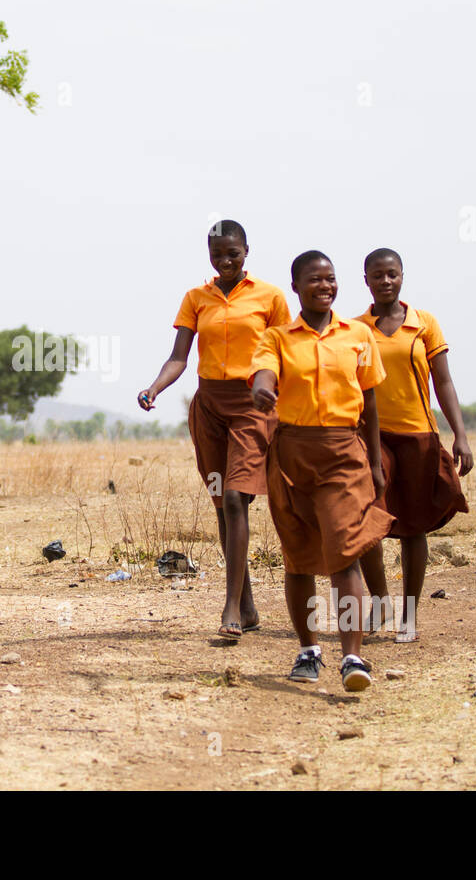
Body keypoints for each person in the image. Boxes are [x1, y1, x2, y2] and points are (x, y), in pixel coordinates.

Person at [138, 219, 291, 640]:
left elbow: (283, 354)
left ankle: (230, 610)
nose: (225, 261)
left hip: (252, 407)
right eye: (217, 254)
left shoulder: (271, 297)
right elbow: (179, 357)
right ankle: (247, 602)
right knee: (223, 503)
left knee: (239, 499)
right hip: (209, 409)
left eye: (233, 253)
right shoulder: (195, 298)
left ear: (247, 252)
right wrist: (154, 388)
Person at [249, 250, 391, 691]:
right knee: (299, 559)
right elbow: (262, 375)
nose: (325, 286)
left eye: (330, 279)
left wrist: (375, 460)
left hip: (344, 454)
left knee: (344, 553)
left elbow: (369, 404)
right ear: (296, 287)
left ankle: (353, 656)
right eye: (315, 279)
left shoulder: (359, 337)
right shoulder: (277, 337)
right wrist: (262, 392)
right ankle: (308, 649)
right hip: (292, 455)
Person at [355, 248, 472, 643]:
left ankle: (409, 615)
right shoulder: (355, 329)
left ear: (402, 277)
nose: (385, 281)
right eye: (377, 275)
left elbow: (444, 382)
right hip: (372, 439)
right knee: (368, 519)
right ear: (366, 280)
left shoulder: (425, 324)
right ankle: (380, 601)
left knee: (413, 528)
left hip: (419, 436)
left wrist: (461, 434)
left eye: (392, 274)